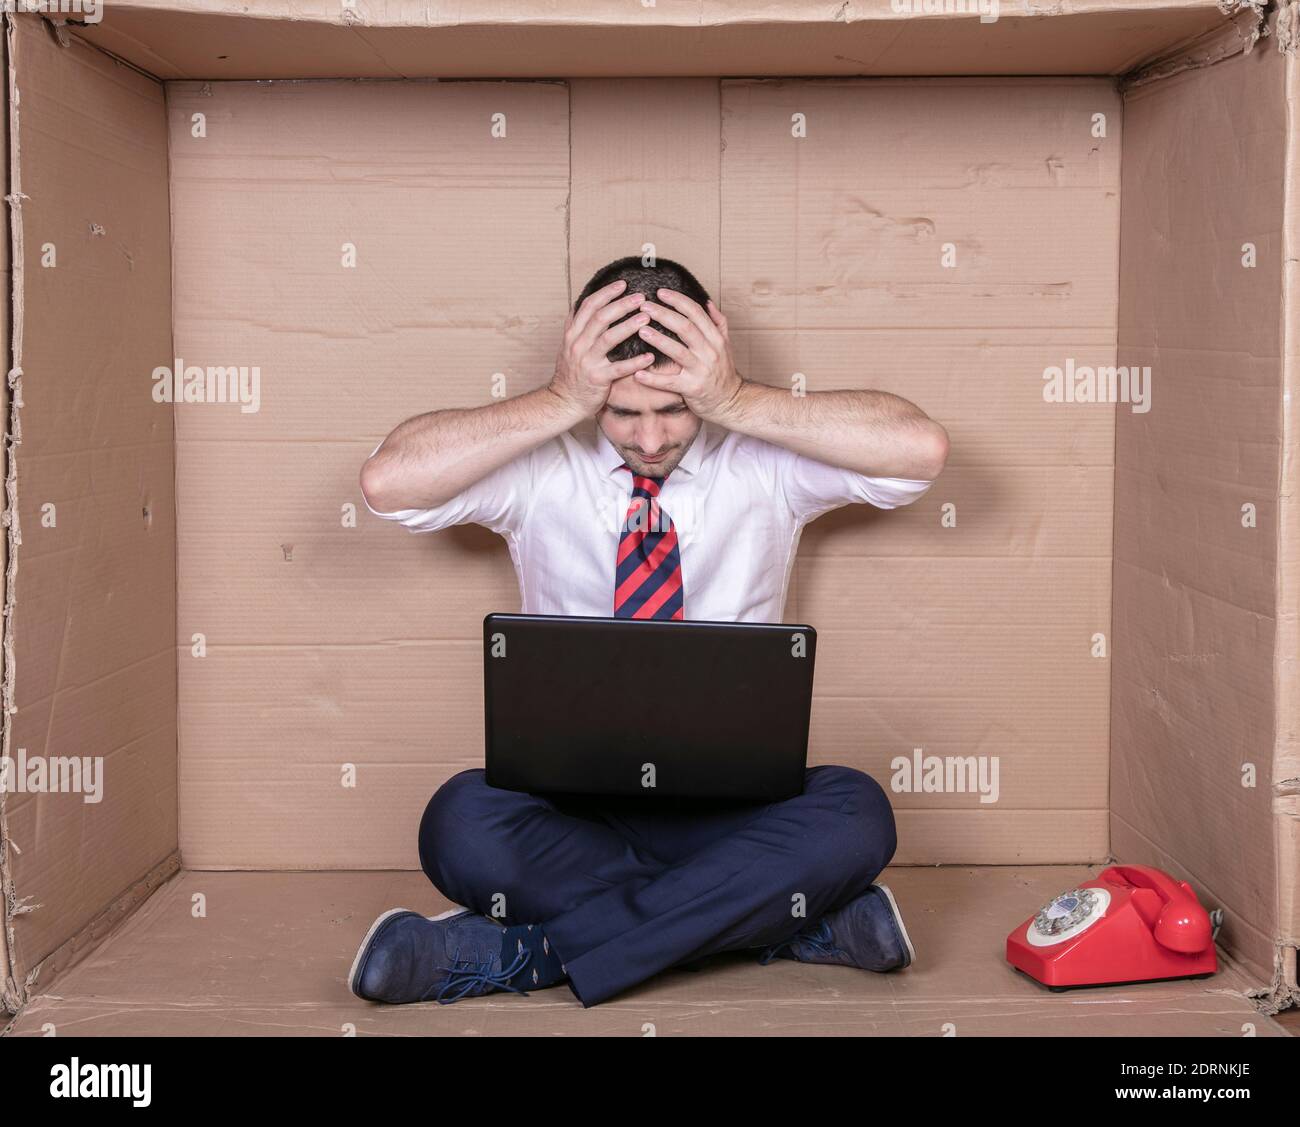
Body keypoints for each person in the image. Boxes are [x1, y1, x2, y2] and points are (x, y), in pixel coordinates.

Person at [350, 256, 949, 1007]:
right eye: (623, 413)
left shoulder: (763, 463)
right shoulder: (539, 469)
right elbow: (388, 483)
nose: (654, 438)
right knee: (459, 821)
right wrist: (559, 397)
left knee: (856, 812)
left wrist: (734, 397)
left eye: (675, 409)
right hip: (573, 817)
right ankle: (777, 921)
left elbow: (918, 451)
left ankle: (533, 953)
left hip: (735, 817)